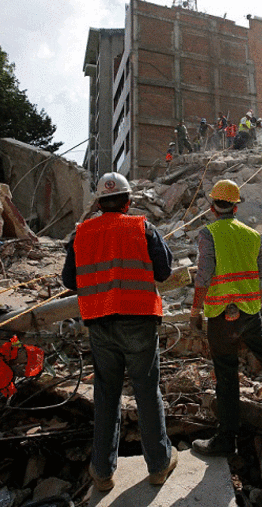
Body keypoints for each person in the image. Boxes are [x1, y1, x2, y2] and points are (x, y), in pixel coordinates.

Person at [61, 172, 177, 491]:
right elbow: (165, 272)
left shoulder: (81, 234)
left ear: (98, 203)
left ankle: (101, 472)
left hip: (100, 323)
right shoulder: (143, 227)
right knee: (146, 392)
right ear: (128, 201)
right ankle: (158, 465)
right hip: (139, 320)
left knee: (106, 395)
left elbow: (69, 280)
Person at [189, 180, 262, 456]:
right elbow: (261, 275)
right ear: (236, 206)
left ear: (213, 207)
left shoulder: (208, 234)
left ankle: (226, 438)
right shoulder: (252, 235)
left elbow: (203, 276)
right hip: (250, 311)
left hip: (222, 314)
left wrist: (195, 311)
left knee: (226, 372)